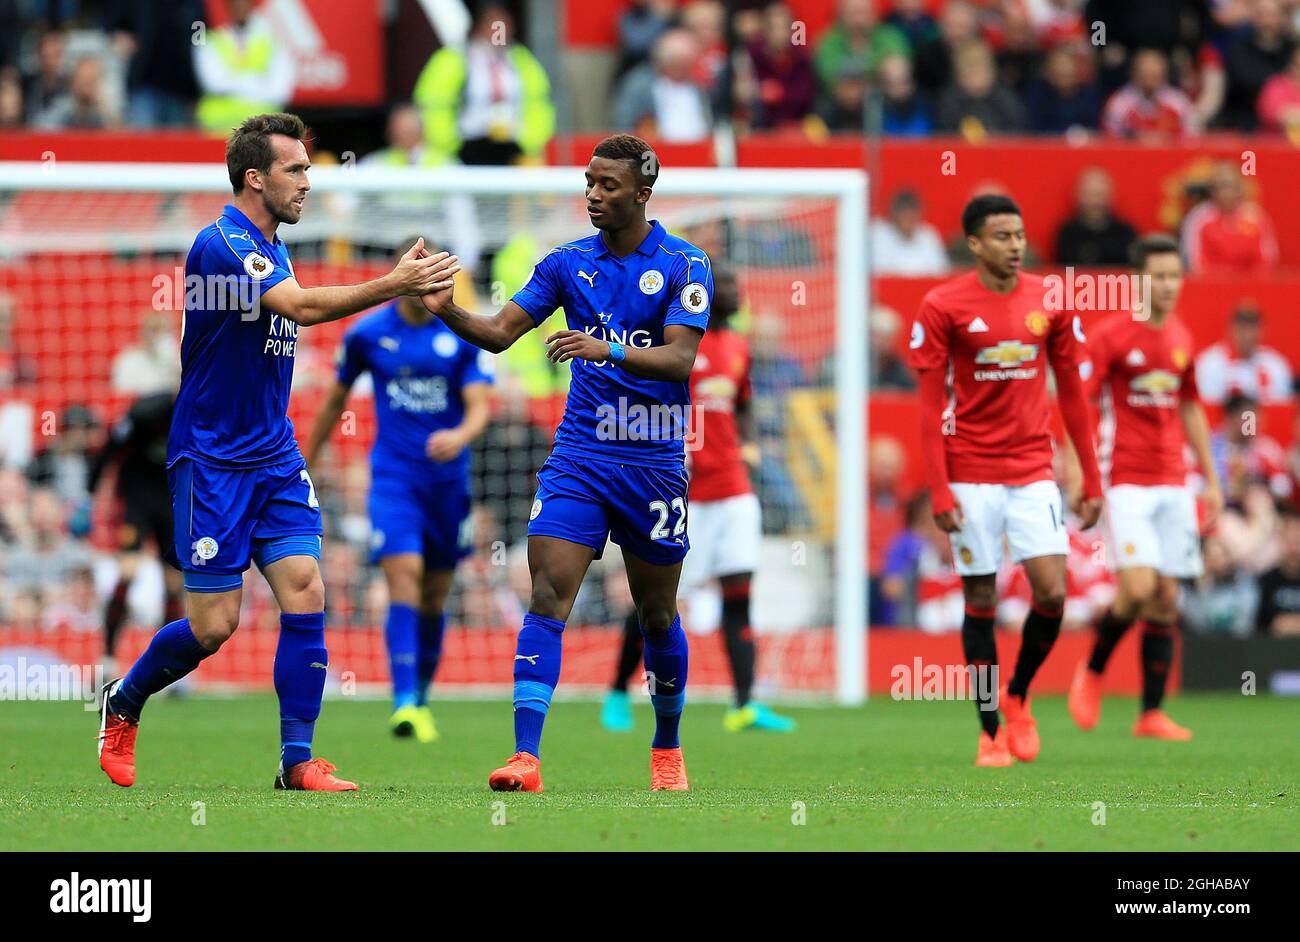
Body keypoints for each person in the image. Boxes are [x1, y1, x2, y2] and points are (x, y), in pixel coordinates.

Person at [95, 112, 460, 792]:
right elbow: (301, 308)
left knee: (305, 588)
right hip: (211, 458)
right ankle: (124, 700)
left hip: (273, 454)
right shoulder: (222, 244)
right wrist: (395, 283)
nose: (308, 183)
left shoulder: (274, 243)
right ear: (255, 177)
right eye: (295, 170)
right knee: (213, 627)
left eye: (309, 170)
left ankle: (297, 761)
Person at [415, 133, 713, 793]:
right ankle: (526, 756)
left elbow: (680, 360)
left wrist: (604, 350)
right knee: (548, 594)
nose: (593, 195)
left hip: (654, 458)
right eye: (588, 183)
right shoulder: (564, 263)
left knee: (656, 613)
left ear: (641, 192)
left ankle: (666, 747)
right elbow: (497, 334)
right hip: (580, 455)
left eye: (608, 186)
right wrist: (447, 310)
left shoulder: (687, 264)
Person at [907, 194, 1103, 767]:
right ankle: (990, 729)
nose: (1015, 245)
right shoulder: (943, 304)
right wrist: (939, 490)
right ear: (974, 243)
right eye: (1001, 236)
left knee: (1052, 592)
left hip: (1033, 469)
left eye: (1019, 235)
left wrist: (1091, 477)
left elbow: (1072, 391)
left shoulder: (1051, 299)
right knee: (982, 595)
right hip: (969, 471)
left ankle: (1019, 693)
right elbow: (927, 407)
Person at [304, 238, 494, 743]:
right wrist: (306, 459)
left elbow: (479, 405)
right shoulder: (368, 334)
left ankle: (421, 696)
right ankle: (405, 701)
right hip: (393, 478)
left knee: (435, 595)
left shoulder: (460, 335)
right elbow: (334, 400)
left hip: (448, 484)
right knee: (403, 575)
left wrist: (459, 435)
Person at [601, 265, 795, 735]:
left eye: (735, 287)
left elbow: (742, 404)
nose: (733, 294)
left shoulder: (738, 349)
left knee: (739, 596)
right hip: (684, 493)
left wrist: (747, 446)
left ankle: (744, 703)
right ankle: (616, 691)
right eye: (724, 287)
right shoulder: (678, 346)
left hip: (734, 492)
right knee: (657, 602)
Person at [1067, 234, 1223, 741]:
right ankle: (1091, 671)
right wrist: (1078, 470)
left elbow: (1191, 406)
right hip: (1126, 478)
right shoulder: (1111, 336)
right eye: (1158, 276)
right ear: (1137, 280)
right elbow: (1081, 404)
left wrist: (1211, 479)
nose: (1168, 285)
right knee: (1136, 589)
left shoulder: (1181, 337)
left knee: (1166, 598)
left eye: (1175, 275)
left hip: (1174, 481)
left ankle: (1150, 713)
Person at [87, 391, 185, 677]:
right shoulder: (144, 413)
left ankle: (169, 666)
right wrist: (91, 487)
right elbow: (111, 447)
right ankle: (107, 655)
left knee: (174, 585)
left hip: (171, 503)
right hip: (137, 502)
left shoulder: (198, 416)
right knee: (128, 572)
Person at [413, 3, 555, 166]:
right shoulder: (453, 59)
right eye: (494, 25)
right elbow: (434, 104)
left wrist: (527, 142)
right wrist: (450, 145)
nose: (501, 31)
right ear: (478, 26)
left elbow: (539, 102)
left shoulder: (522, 61)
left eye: (504, 24)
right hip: (464, 150)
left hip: (513, 150)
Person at [193, 0, 295, 135]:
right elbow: (213, 83)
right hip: (217, 130)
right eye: (235, 3)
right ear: (228, 6)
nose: (240, 8)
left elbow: (280, 92)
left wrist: (232, 80)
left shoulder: (273, 42)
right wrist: (258, 81)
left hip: (262, 132)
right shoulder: (210, 40)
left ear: (252, 5)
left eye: (244, 3)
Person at [611, 28, 712, 142]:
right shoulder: (639, 84)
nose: (685, 69)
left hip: (703, 149)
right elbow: (623, 122)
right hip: (654, 153)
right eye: (679, 63)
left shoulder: (701, 84)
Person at [1181, 162, 1280, 275]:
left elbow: (1267, 262)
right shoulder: (1198, 219)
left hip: (1251, 287)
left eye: (1231, 186)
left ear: (1241, 189)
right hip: (1211, 286)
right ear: (1212, 191)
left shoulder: (1257, 218)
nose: (1226, 193)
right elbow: (1195, 264)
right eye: (1221, 187)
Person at [1193, 302, 1291, 405]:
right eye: (1242, 328)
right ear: (1231, 328)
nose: (1247, 335)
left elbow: (1280, 409)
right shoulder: (1210, 364)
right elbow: (1208, 407)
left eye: (1252, 328)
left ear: (1262, 330)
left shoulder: (1276, 366)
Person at [1100, 48, 1196, 141]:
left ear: (1164, 73)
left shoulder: (1179, 102)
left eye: (1154, 74)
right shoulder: (1118, 104)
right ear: (1134, 73)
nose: (1150, 75)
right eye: (1145, 72)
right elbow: (1110, 139)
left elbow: (1192, 137)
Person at [1052, 167, 1136, 267]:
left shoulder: (1126, 234)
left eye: (1100, 195)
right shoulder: (1067, 234)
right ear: (1079, 195)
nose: (1096, 202)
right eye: (1091, 195)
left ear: (1111, 196)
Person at [871, 188, 949, 276]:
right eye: (903, 212)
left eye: (912, 212)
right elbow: (879, 272)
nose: (908, 217)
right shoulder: (879, 234)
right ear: (893, 213)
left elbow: (940, 272)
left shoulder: (929, 235)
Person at [1254, 505, 1300, 637]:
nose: (1295, 546)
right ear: (1281, 539)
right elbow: (1265, 625)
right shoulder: (1267, 580)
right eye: (1292, 539)